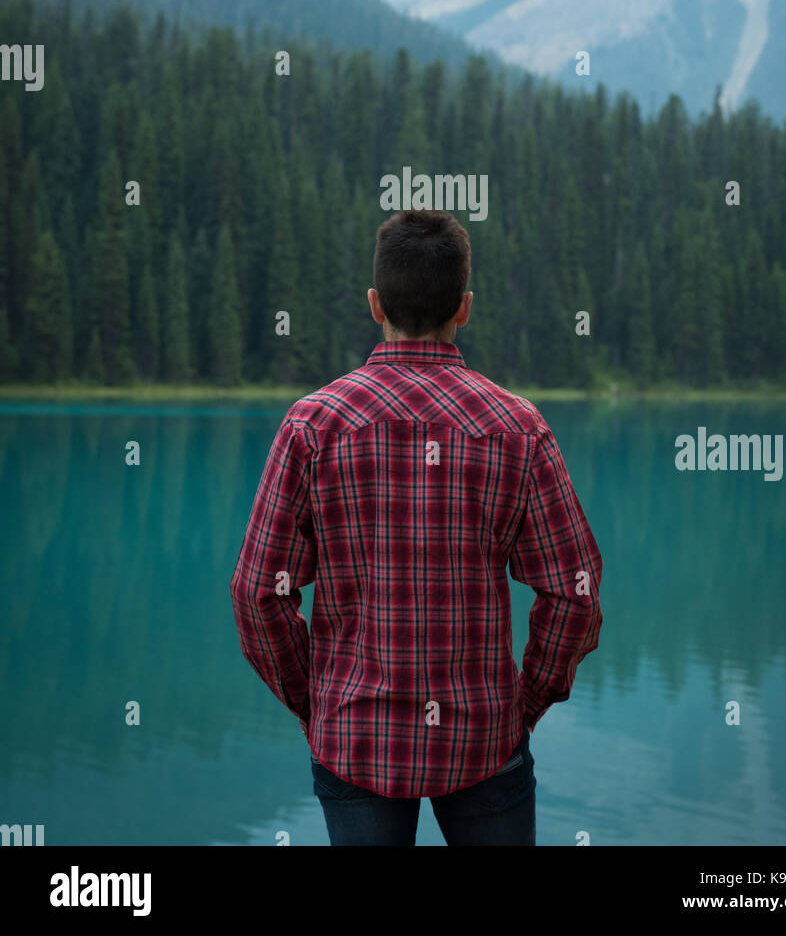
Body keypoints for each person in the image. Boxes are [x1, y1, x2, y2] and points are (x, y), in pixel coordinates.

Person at [231, 208, 602, 846]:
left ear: (375, 304)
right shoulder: (519, 429)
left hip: (356, 739)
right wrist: (525, 705)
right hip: (485, 739)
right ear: (465, 307)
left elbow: (259, 594)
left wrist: (315, 701)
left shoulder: (312, 427)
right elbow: (575, 592)